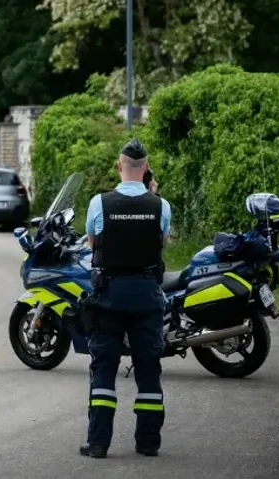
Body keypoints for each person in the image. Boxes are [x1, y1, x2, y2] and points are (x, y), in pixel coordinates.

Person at [78, 138, 171, 459]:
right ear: (146, 169)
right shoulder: (161, 206)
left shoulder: (98, 203)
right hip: (147, 294)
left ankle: (98, 443)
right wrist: (152, 196)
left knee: (103, 370)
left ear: (120, 166)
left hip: (109, 296)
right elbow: (160, 243)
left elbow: (92, 245)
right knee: (148, 369)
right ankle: (148, 443)